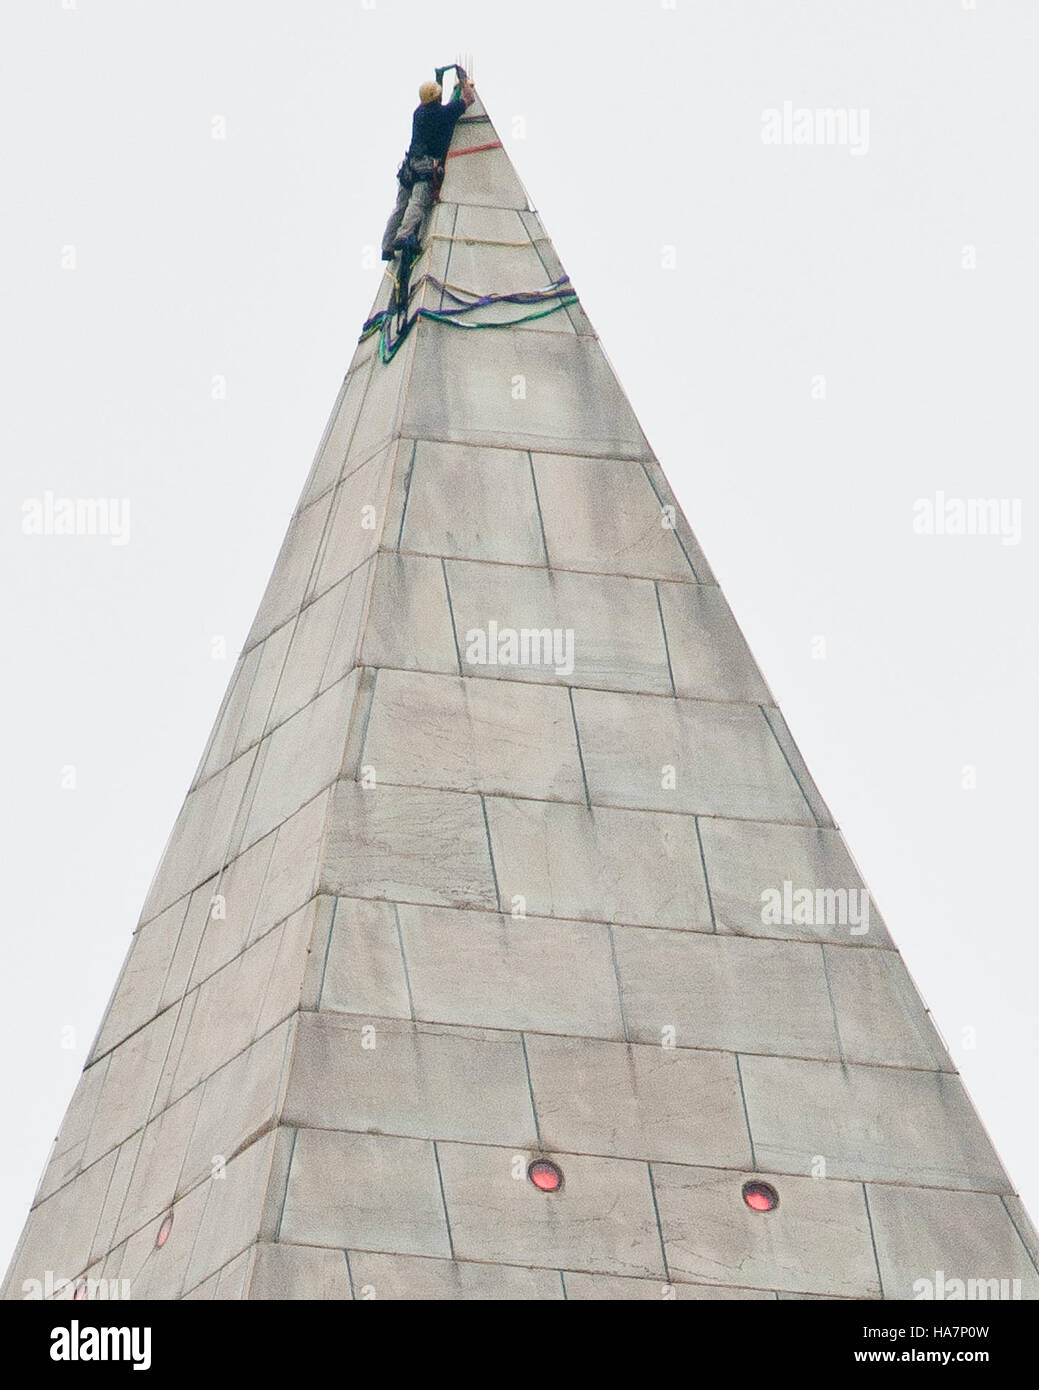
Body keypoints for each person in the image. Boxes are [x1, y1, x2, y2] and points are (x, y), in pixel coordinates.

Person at [381, 73, 476, 260]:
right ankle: (404, 236)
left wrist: (438, 81)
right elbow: (469, 98)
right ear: (438, 98)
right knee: (417, 202)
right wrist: (464, 81)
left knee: (400, 206)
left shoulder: (419, 113)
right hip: (424, 167)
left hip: (409, 167)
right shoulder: (446, 113)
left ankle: (387, 246)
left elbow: (431, 101)